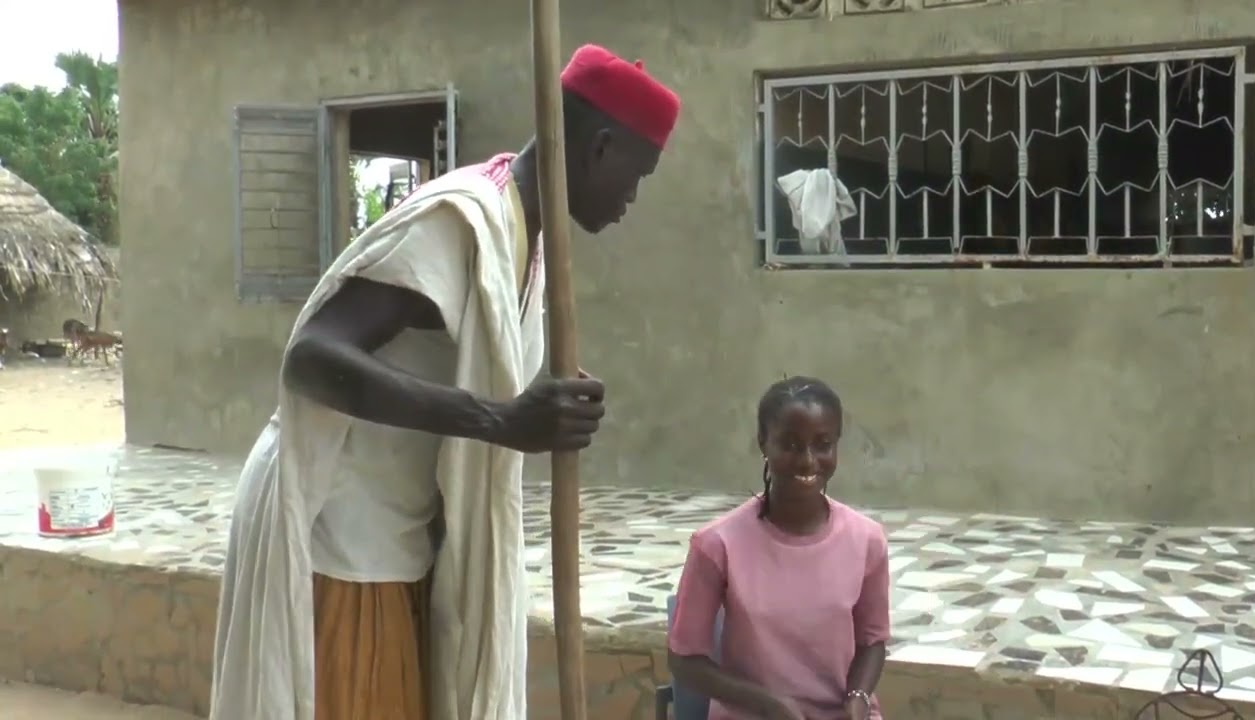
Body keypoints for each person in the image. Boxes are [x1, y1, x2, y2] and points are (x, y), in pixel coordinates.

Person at [209, 44, 681, 720]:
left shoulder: (527, 241)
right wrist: (502, 419)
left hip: (401, 539)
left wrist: (540, 399)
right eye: (638, 176)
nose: (633, 199)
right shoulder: (461, 220)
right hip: (337, 529)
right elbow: (311, 358)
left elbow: (469, 363)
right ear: (601, 146)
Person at [667, 377, 892, 720]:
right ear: (763, 443)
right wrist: (768, 705)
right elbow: (684, 660)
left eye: (822, 444)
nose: (807, 460)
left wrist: (858, 698)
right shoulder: (716, 545)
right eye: (790, 444)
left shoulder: (867, 539)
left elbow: (873, 640)